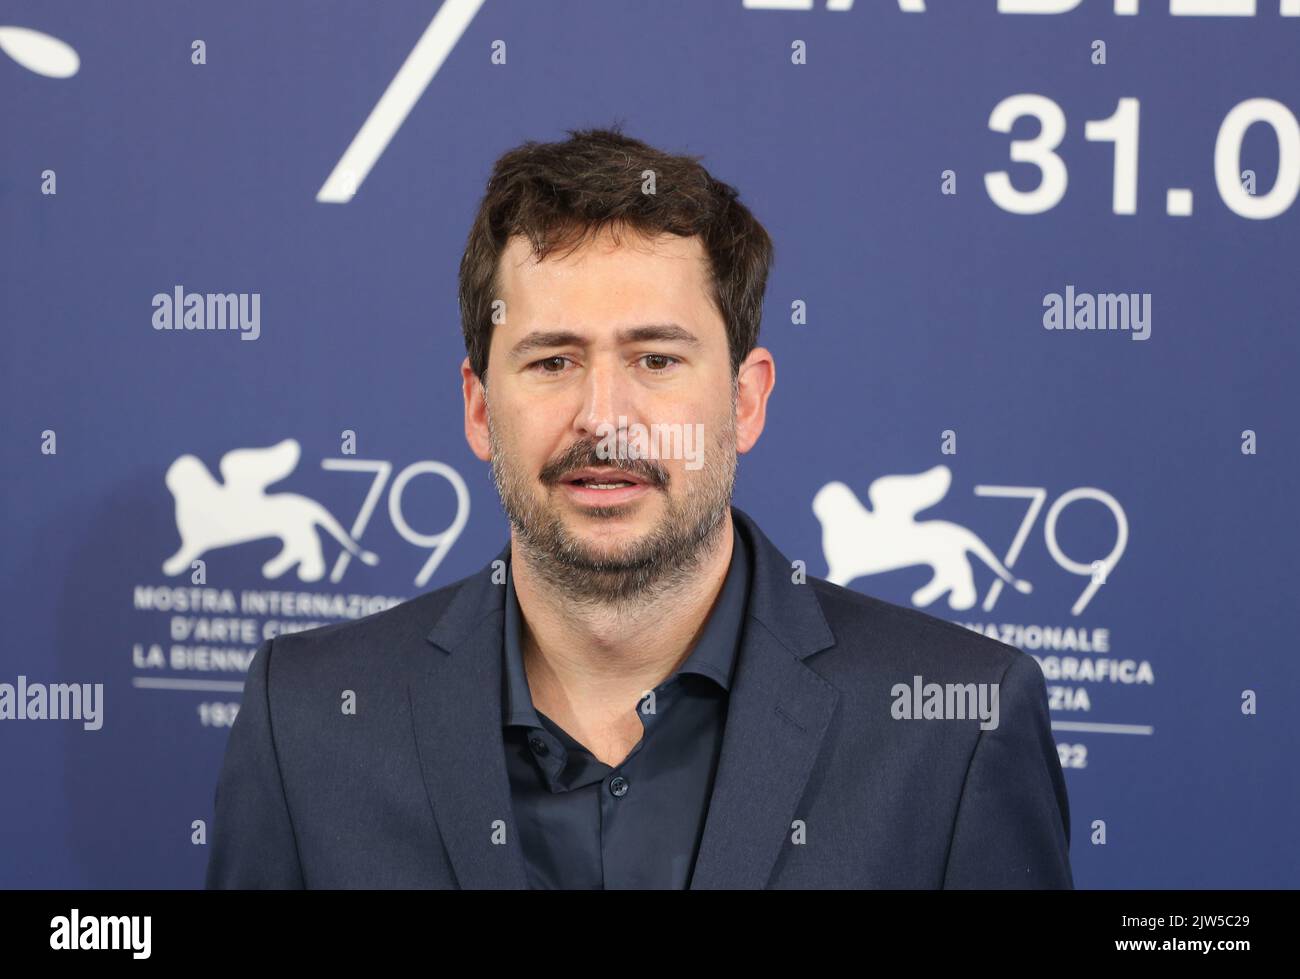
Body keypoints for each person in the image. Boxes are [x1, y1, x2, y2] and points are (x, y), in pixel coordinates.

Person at [206, 126, 1072, 889]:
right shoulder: (311, 721)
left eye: (656, 360)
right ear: (478, 409)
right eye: (552, 361)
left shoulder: (956, 725)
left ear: (745, 400)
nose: (604, 418)